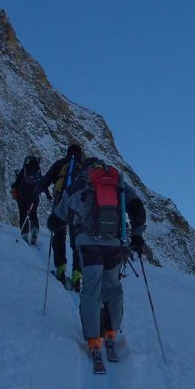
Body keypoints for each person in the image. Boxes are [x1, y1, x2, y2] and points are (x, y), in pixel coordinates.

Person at [51, 153, 147, 371]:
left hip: (89, 245)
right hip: (114, 245)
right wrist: (137, 234)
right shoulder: (117, 182)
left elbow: (59, 214)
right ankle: (111, 332)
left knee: (92, 289)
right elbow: (137, 207)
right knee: (112, 287)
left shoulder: (80, 183)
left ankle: (94, 339)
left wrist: (53, 224)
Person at [41, 143, 85, 290]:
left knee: (59, 236)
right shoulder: (84, 167)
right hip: (78, 208)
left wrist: (39, 190)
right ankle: (77, 276)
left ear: (68, 152)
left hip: (61, 203)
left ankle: (60, 269)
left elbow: (46, 180)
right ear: (80, 154)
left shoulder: (60, 163)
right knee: (77, 240)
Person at [10, 154, 51, 244]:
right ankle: (34, 230)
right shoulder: (38, 171)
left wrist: (14, 189)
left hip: (22, 196)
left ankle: (25, 233)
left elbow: (16, 183)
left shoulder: (23, 170)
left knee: (23, 214)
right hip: (34, 196)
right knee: (33, 214)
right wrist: (48, 195)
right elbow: (43, 184)